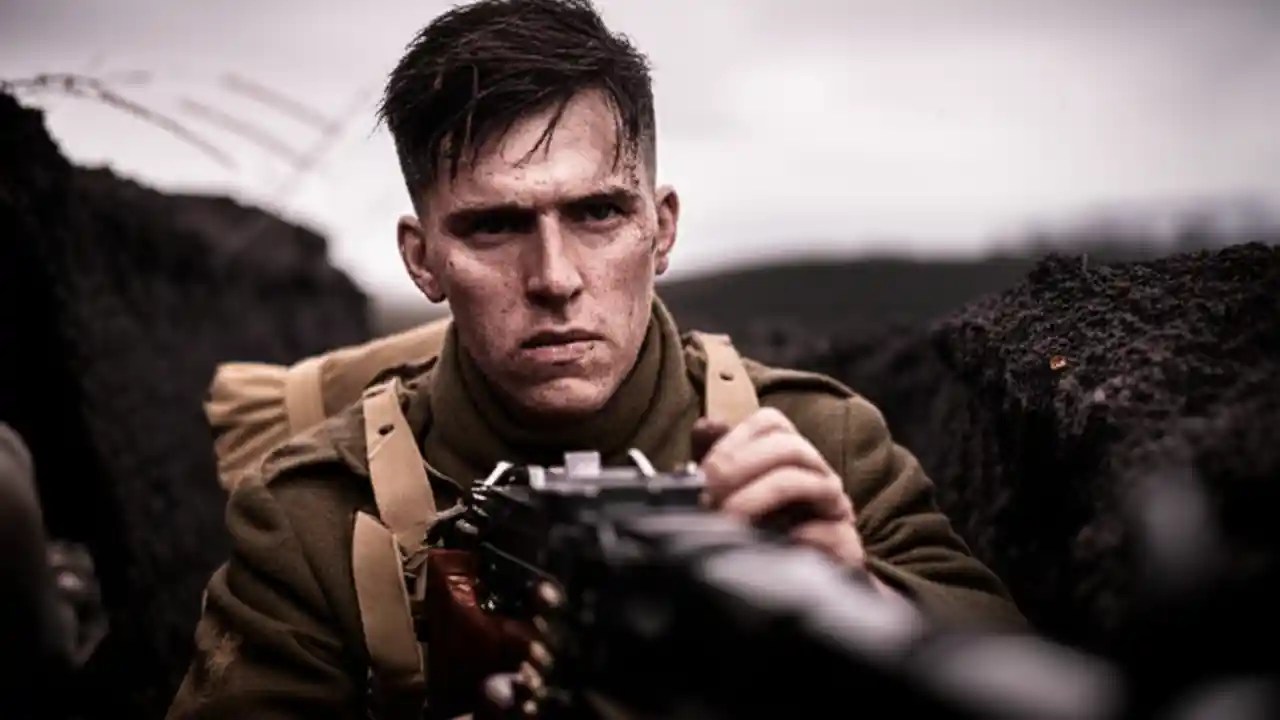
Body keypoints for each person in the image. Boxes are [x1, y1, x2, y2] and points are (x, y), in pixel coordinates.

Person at [168, 0, 1026, 717]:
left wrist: (853, 601)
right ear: (421, 258)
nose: (554, 278)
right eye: (493, 225)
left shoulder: (816, 444)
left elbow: (1004, 667)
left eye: (598, 214)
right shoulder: (313, 516)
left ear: (663, 229)